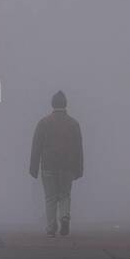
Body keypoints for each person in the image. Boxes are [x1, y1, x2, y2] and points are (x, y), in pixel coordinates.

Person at [29, 91, 83, 236]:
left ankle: (51, 228)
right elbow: (78, 148)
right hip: (67, 166)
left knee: (50, 197)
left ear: (52, 104)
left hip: (48, 165)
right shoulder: (73, 124)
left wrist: (33, 168)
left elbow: (36, 146)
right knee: (65, 194)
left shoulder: (43, 123)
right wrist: (79, 169)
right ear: (65, 104)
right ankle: (64, 216)